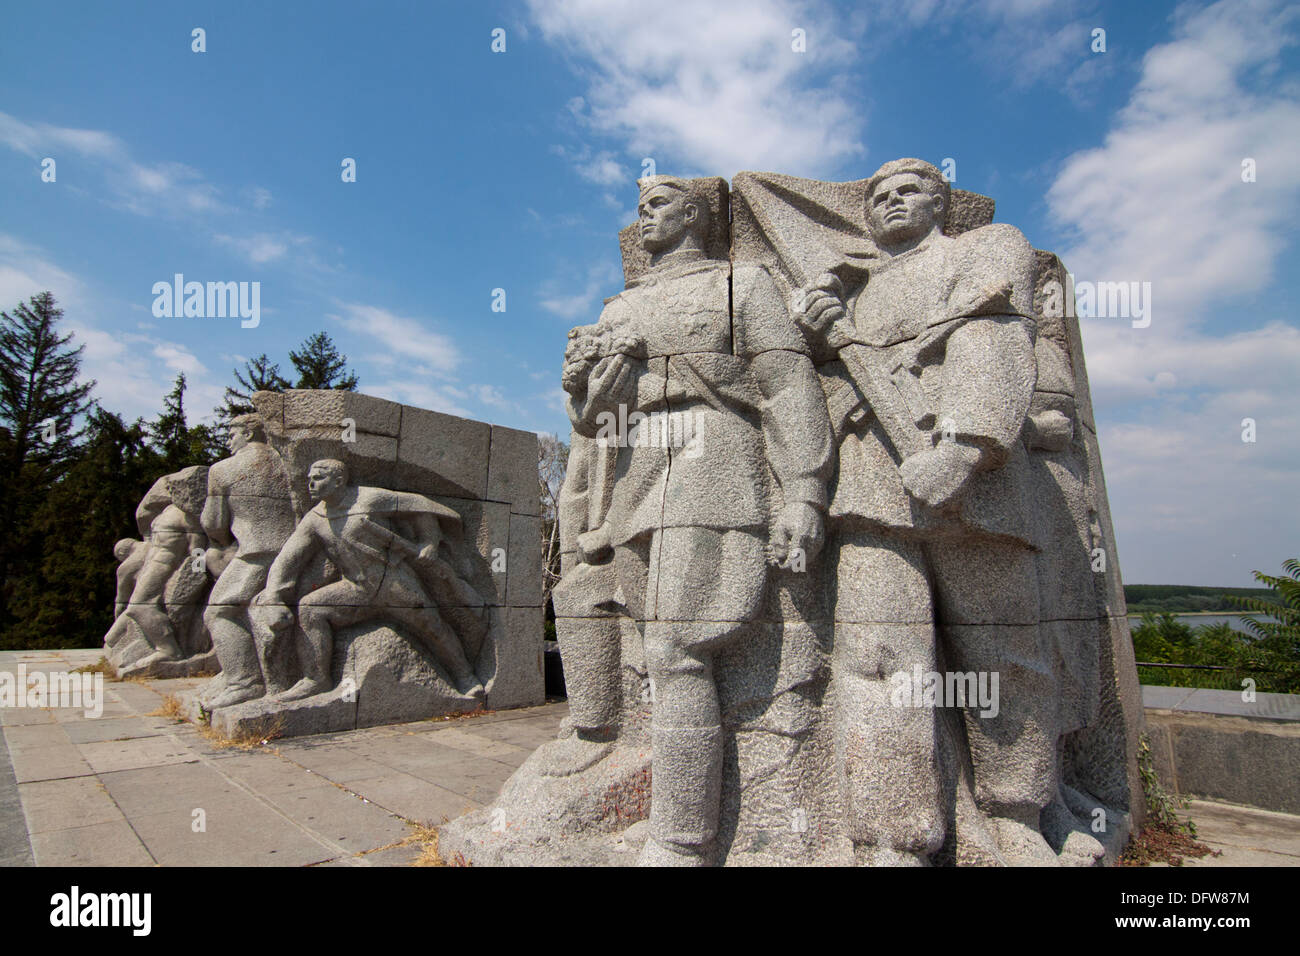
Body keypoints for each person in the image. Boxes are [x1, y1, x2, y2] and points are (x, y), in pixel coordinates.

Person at [796, 158, 1059, 865]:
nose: (891, 202)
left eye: (908, 189)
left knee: (1001, 653)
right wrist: (821, 332)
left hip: (974, 480)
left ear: (941, 201)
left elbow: (997, 331)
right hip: (872, 488)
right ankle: (894, 835)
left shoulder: (987, 247)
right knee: (878, 661)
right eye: (877, 196)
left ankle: (1016, 813)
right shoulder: (855, 290)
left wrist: (967, 448)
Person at [565, 175, 832, 865]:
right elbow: (594, 422)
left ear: (694, 214)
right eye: (639, 206)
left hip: (712, 455)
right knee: (652, 652)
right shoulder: (620, 304)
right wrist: (585, 384)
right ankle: (678, 813)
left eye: (657, 204)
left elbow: (787, 384)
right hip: (637, 470)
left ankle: (683, 842)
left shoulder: (742, 285)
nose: (643, 216)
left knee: (677, 648)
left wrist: (804, 490)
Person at [254, 459, 485, 702]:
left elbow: (418, 505)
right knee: (311, 609)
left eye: (318, 478)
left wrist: (429, 542)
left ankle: (465, 676)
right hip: (355, 588)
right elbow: (288, 559)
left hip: (395, 583)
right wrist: (273, 594)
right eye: (309, 478)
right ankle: (316, 679)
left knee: (432, 626)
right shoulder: (314, 519)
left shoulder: (369, 499)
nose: (310, 483)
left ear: (339, 480)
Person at [199, 413, 297, 709]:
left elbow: (214, 523)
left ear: (249, 433)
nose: (229, 441)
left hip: (256, 553)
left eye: (232, 434)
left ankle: (245, 682)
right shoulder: (290, 464)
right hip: (293, 550)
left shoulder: (223, 469)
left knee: (219, 612)